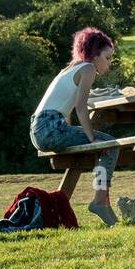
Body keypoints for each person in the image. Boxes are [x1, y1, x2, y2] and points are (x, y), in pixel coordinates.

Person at [29, 27, 120, 227]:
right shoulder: (87, 69)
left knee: (103, 146)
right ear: (95, 55)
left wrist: (80, 135)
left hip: (39, 128)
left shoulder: (70, 68)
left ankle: (101, 200)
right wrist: (91, 138)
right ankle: (99, 201)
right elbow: (80, 107)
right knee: (110, 145)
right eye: (107, 57)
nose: (109, 63)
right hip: (50, 128)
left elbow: (66, 109)